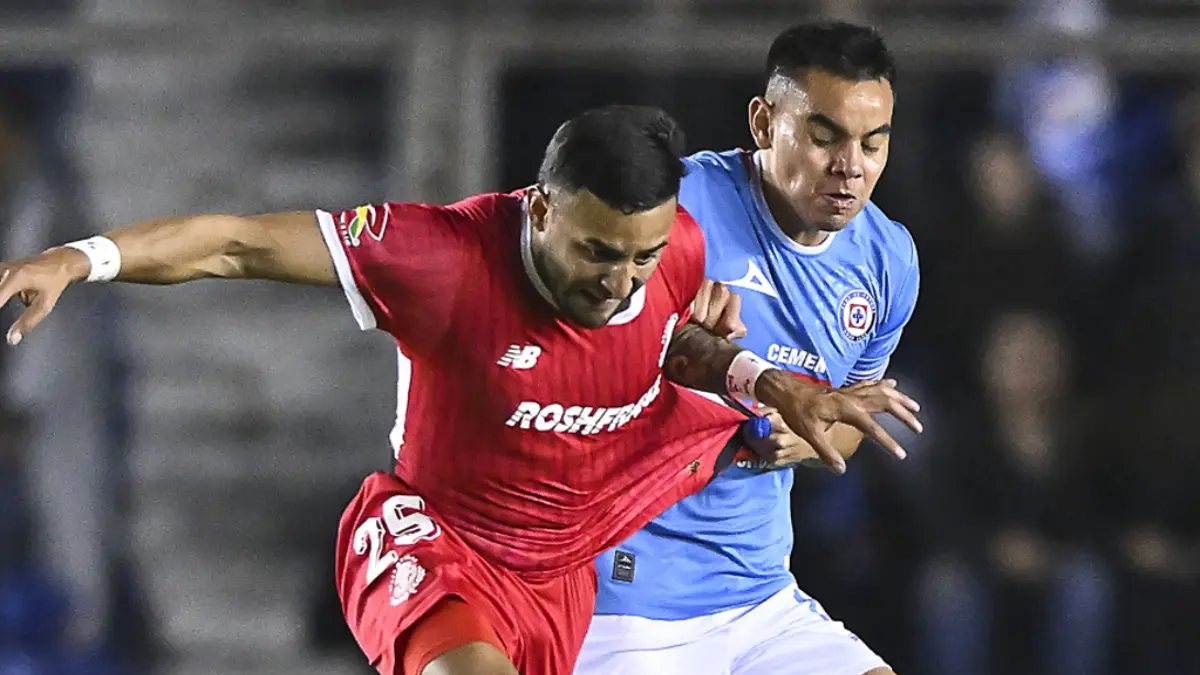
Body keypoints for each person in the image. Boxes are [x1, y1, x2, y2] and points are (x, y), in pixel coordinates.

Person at [0, 104, 921, 675]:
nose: (618, 281)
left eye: (640, 258)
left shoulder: (672, 250)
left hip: (561, 568)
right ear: (542, 207)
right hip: (437, 537)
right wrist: (81, 259)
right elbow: (235, 242)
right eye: (597, 253)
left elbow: (670, 340)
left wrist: (760, 378)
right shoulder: (438, 256)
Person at [576, 23, 919, 675]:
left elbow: (843, 423)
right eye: (824, 137)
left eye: (874, 144)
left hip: (759, 598)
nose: (851, 165)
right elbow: (572, 363)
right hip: (624, 597)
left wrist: (804, 436)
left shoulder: (888, 260)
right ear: (764, 123)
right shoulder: (672, 206)